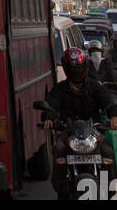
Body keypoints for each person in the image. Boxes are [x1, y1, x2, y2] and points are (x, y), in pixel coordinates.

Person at [43, 47, 117, 199]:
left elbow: (108, 100)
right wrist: (49, 117)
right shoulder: (60, 89)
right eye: (72, 67)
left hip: (94, 131)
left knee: (108, 152)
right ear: (66, 68)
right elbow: (52, 103)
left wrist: (114, 115)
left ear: (85, 66)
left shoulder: (95, 86)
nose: (76, 70)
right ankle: (61, 188)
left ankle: (110, 190)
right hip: (69, 132)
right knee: (59, 151)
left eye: (78, 66)